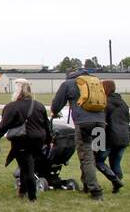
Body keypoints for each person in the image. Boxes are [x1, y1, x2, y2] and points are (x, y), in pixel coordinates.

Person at [50, 69, 120, 199]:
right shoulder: (95, 82)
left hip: (84, 124)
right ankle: (111, 181)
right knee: (96, 158)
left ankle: (95, 191)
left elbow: (56, 105)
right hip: (100, 122)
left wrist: (54, 112)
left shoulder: (69, 83)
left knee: (86, 157)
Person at [0, 78, 51, 202]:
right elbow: (47, 124)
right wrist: (49, 140)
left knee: (27, 167)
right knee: (26, 165)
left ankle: (32, 197)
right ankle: (22, 191)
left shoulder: (12, 107)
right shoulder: (39, 105)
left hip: (22, 140)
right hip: (38, 140)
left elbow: (4, 125)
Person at [102, 80, 130, 189]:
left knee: (99, 161)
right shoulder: (123, 103)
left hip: (111, 137)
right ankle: (117, 183)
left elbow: (102, 122)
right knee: (115, 162)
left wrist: (96, 140)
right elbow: (127, 120)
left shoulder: (106, 103)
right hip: (124, 137)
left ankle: (115, 180)